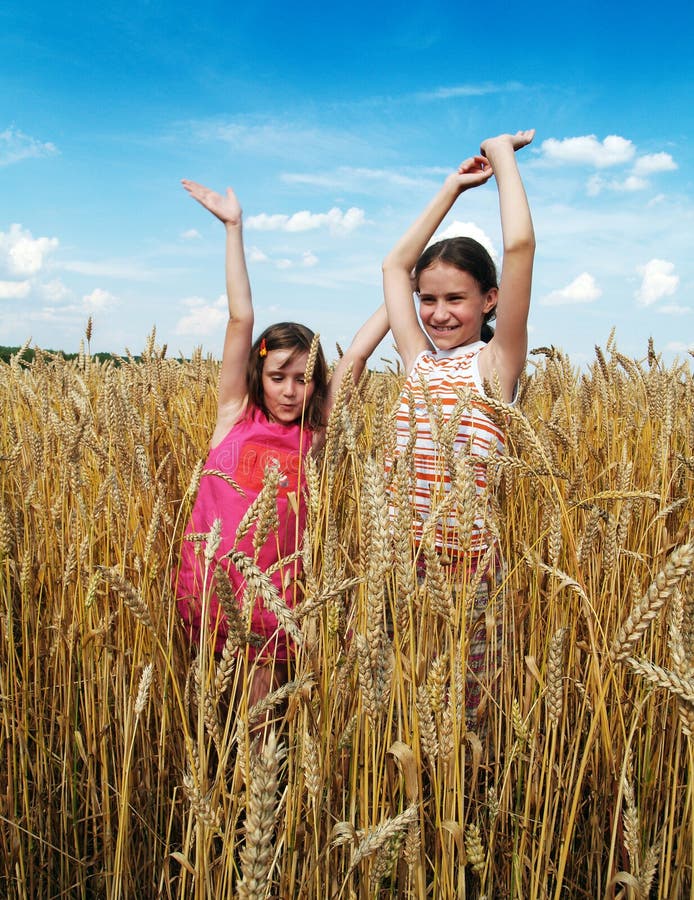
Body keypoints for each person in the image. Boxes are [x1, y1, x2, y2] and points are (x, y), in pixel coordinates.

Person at [174, 179, 389, 709]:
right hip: (209, 590)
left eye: (303, 378)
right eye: (278, 376)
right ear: (258, 374)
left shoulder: (314, 437)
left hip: (276, 600)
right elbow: (240, 318)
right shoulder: (233, 416)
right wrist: (234, 228)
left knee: (258, 719)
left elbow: (358, 354)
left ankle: (256, 791)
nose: (291, 390)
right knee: (207, 718)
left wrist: (401, 282)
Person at [382, 130, 535, 730]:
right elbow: (394, 264)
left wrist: (500, 160)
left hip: (467, 570)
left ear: (491, 300)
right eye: (428, 299)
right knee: (393, 710)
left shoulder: (495, 367)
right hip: (395, 562)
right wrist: (451, 187)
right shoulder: (417, 359)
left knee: (458, 724)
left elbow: (519, 245)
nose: (438, 313)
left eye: (456, 299)